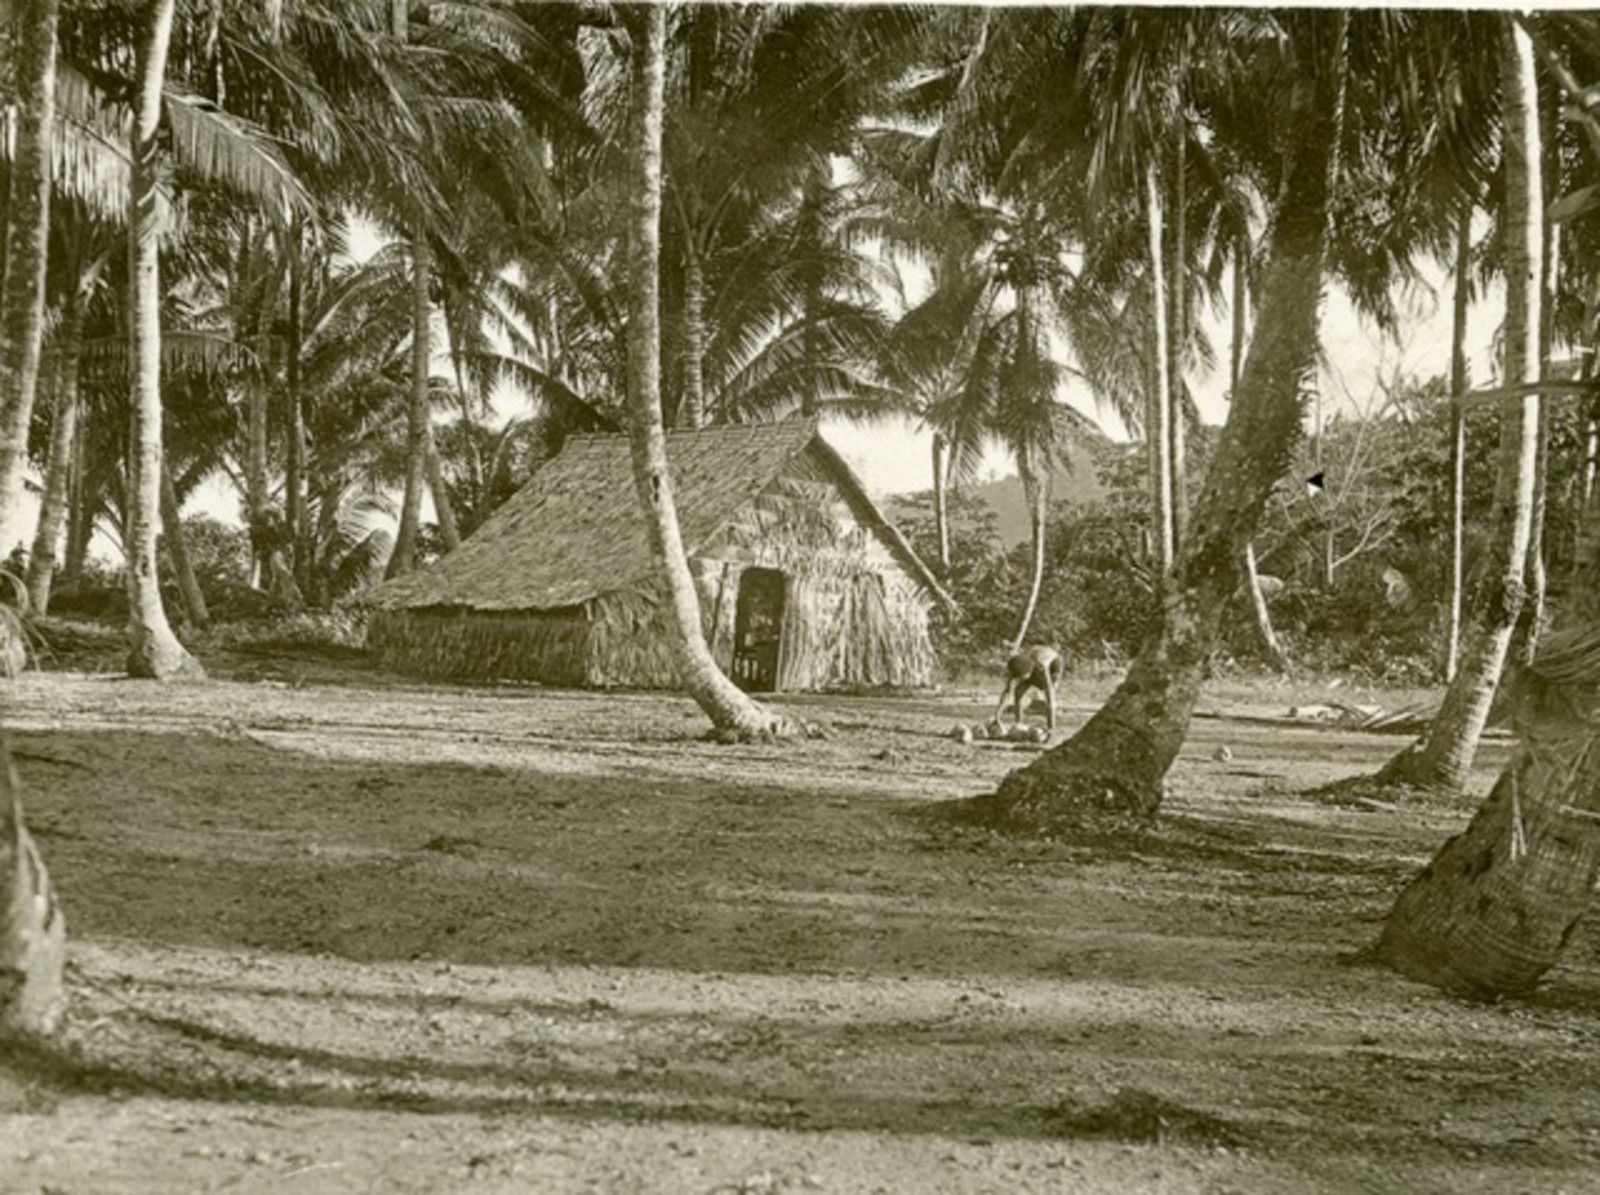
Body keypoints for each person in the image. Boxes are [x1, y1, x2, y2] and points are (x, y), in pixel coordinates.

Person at [994, 645, 1064, 732]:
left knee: (1047, 690)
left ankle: (1049, 722)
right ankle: (1018, 723)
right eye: (1018, 678)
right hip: (1032, 659)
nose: (1019, 680)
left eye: (1022, 678)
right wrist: (997, 715)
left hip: (1053, 664)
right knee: (1018, 691)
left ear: (1030, 672)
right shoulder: (1014, 666)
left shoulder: (1041, 667)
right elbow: (1007, 692)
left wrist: (1051, 728)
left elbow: (1050, 699)